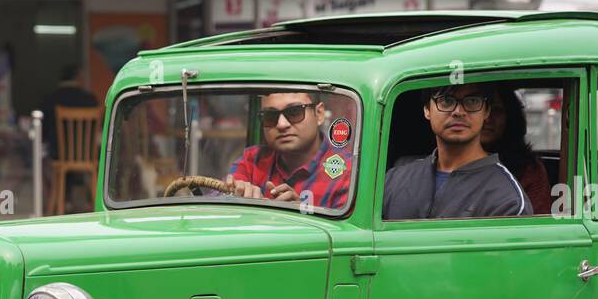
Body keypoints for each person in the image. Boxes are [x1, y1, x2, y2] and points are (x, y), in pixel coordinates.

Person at [382, 84, 532, 220]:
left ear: (486, 111)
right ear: (427, 109)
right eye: (446, 101)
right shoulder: (394, 180)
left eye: (472, 101)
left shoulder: (508, 199)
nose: (458, 112)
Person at [224, 91, 351, 209]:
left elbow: (347, 226)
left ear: (319, 114)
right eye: (270, 116)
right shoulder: (253, 160)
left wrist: (302, 216)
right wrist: (235, 193)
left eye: (294, 112)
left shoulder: (348, 173)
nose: (282, 124)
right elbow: (217, 200)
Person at [482, 87, 552, 214]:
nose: (487, 118)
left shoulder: (529, 169)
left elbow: (537, 221)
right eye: (481, 108)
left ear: (510, 117)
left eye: (496, 110)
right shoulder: (450, 164)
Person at [39, 64, 99, 159]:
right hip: (86, 156)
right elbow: (98, 130)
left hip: (57, 155)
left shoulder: (50, 100)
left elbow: (42, 132)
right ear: (78, 77)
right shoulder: (90, 100)